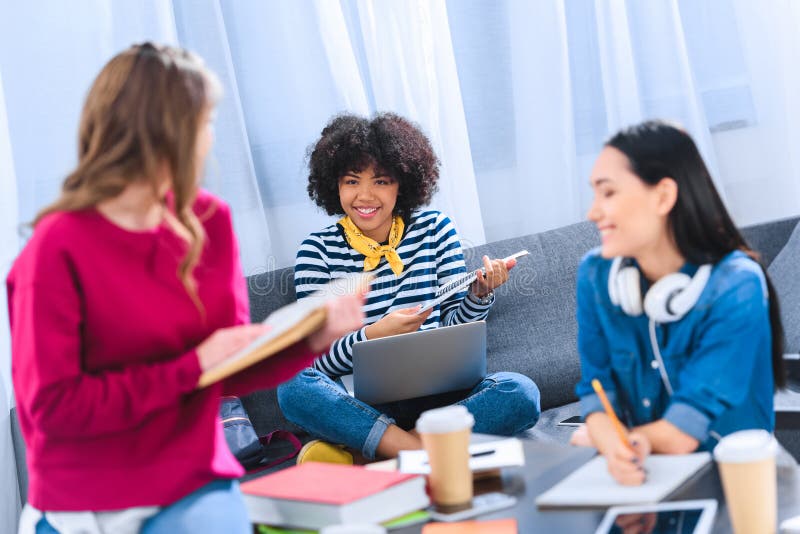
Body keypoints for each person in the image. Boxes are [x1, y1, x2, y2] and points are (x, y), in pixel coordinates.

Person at [10, 43, 364, 534]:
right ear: (162, 132)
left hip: (188, 478)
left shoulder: (208, 222)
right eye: (203, 123)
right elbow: (55, 411)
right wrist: (192, 365)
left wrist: (312, 338)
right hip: (87, 497)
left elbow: (230, 367)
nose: (208, 139)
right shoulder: (55, 250)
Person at [276, 112, 540, 464]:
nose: (364, 195)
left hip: (443, 397)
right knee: (291, 384)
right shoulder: (317, 251)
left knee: (520, 392)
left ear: (403, 183)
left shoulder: (435, 229)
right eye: (352, 181)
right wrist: (372, 336)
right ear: (333, 185)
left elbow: (453, 331)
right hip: (360, 403)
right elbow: (316, 360)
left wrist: (479, 295)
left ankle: (368, 452)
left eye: (381, 181)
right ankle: (421, 451)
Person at [572, 120, 786, 486]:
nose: (593, 212)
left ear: (663, 197)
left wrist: (630, 442)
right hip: (643, 478)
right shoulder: (594, 275)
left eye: (608, 193)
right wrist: (610, 442)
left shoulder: (736, 285)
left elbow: (683, 431)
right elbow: (596, 390)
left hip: (732, 482)